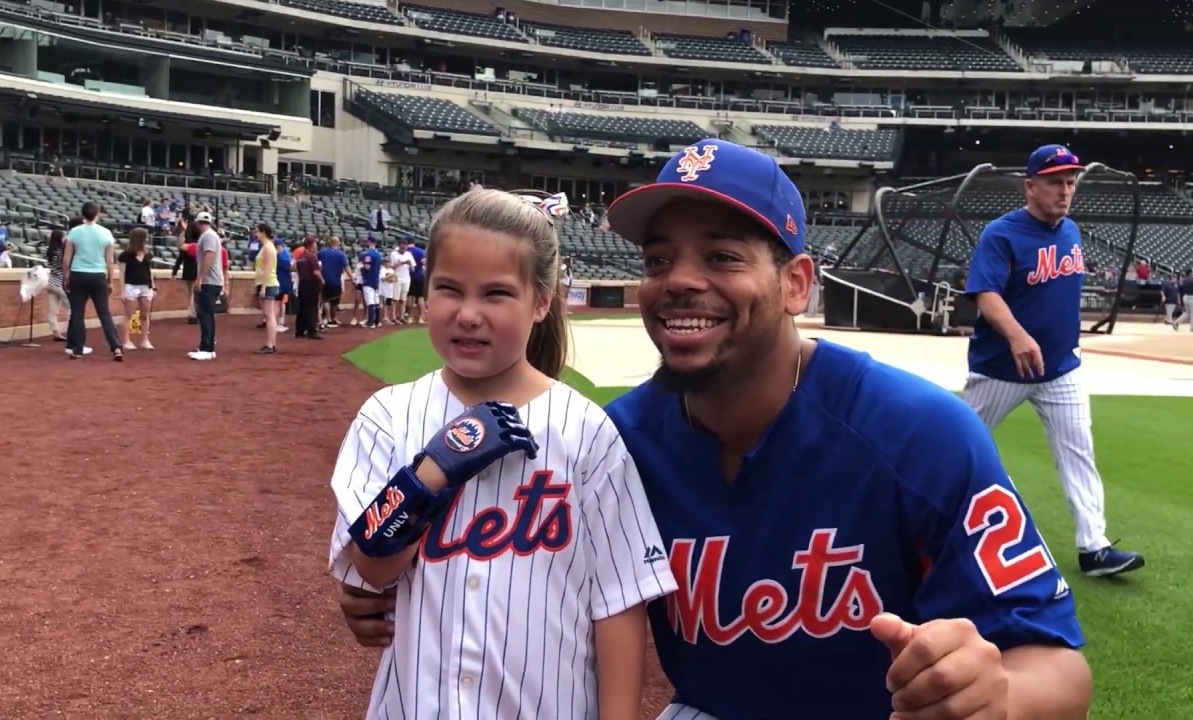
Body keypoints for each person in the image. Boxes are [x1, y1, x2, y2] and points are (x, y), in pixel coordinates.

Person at [339, 140, 1094, 719]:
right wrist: (383, 588)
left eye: (723, 255)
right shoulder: (619, 442)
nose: (680, 280)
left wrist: (999, 695)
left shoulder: (919, 433)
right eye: (660, 257)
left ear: (796, 284)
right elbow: (522, 575)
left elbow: (1061, 669)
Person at [327, 188, 676, 720]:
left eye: (495, 294)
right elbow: (374, 570)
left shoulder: (586, 429)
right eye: (449, 289)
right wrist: (432, 472)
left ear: (540, 302)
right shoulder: (388, 415)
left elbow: (619, 602)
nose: (468, 314)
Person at [964, 144, 1143, 578]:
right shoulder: (1001, 233)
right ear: (1030, 187)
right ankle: (912, 522)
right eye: (1054, 182)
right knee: (955, 442)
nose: (1065, 190)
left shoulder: (1071, 231)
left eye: (1070, 181)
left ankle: (1094, 547)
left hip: (1061, 368)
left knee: (1079, 452)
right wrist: (1018, 335)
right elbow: (986, 294)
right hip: (1001, 368)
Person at [64, 201, 124, 362]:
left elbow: (66, 259)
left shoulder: (74, 232)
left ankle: (77, 349)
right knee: (104, 313)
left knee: (77, 313)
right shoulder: (106, 233)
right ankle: (116, 347)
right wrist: (110, 281)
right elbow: (109, 261)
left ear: (83, 214)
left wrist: (66, 276)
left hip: (78, 273)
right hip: (98, 274)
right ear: (96, 214)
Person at [189, 211, 224, 361]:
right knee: (207, 314)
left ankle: (206, 347)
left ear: (197, 223)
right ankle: (208, 347)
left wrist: (200, 278)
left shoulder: (208, 236)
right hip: (213, 280)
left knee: (204, 314)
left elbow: (209, 256)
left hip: (210, 281)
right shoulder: (211, 235)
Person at [116, 228, 156, 351]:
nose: (147, 239)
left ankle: (145, 340)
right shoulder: (125, 255)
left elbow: (149, 271)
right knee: (128, 314)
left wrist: (153, 286)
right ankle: (126, 340)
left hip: (145, 286)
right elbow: (121, 274)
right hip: (131, 286)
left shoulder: (148, 254)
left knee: (145, 315)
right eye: (145, 237)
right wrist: (122, 291)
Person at [252, 222, 280, 355]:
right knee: (269, 315)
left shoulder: (268, 247)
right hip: (267, 283)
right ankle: (271, 344)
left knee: (269, 315)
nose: (255, 234)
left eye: (257, 231)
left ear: (263, 232)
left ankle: (270, 344)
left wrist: (263, 287)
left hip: (268, 283)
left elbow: (268, 269)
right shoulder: (267, 247)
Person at [318, 236, 352, 329]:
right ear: (338, 243)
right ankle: (331, 319)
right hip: (336, 280)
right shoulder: (340, 254)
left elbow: (317, 263)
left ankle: (328, 318)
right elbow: (347, 267)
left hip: (324, 279)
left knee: (326, 299)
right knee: (335, 301)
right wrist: (352, 278)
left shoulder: (322, 252)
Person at [293, 235, 323, 340]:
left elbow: (295, 269)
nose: (316, 245)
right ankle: (312, 331)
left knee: (302, 308)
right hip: (311, 284)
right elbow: (316, 272)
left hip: (302, 283)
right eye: (315, 243)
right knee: (312, 308)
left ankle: (299, 330)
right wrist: (322, 281)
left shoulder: (301, 257)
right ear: (311, 244)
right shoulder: (312, 256)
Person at [44, 228, 70, 342]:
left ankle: (56, 332)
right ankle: (71, 332)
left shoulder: (48, 250)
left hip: (51, 282)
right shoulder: (62, 251)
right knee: (71, 309)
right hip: (60, 282)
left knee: (52, 311)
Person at [358, 236, 382, 329]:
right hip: (376, 279)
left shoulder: (368, 254)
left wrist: (361, 269)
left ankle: (370, 322)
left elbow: (367, 267)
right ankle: (377, 321)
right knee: (376, 300)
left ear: (369, 242)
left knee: (370, 301)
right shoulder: (378, 253)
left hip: (368, 279)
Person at [405, 238, 426, 324]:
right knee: (420, 297)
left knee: (410, 296)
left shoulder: (405, 251)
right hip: (419, 276)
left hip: (408, 276)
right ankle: (421, 317)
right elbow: (424, 262)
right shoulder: (420, 251)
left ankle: (410, 317)